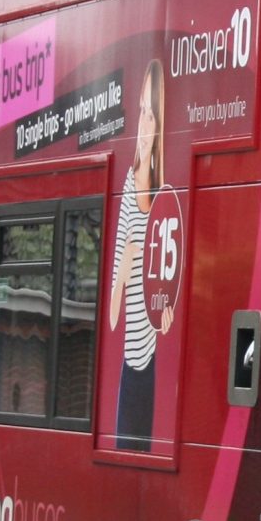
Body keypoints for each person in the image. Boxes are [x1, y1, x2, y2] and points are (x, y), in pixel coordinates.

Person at [109, 58, 173, 449]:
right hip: (130, 370)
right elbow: (114, 315)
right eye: (142, 112)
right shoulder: (127, 191)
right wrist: (126, 269)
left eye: (153, 115)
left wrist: (165, 321)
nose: (145, 124)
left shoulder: (165, 196)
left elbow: (163, 303)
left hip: (151, 367)